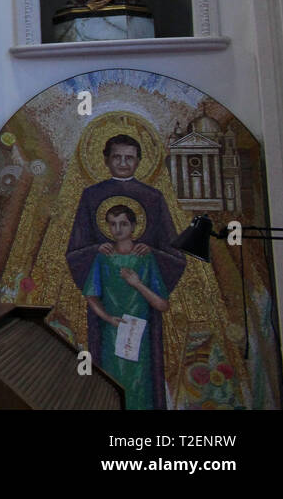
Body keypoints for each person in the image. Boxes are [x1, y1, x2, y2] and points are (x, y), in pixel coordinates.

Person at [65, 133, 186, 407]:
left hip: (142, 300)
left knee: (143, 367)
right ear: (106, 159)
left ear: (139, 161)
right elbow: (76, 250)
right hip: (107, 292)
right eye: (117, 157)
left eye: (129, 158)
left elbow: (173, 253)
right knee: (109, 362)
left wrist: (151, 251)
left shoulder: (152, 197)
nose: (123, 163)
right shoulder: (91, 195)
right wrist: (96, 249)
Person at [82, 201, 171, 409]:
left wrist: (137, 284)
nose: (118, 229)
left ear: (133, 226)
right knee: (114, 383)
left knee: (140, 385)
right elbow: (91, 295)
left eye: (123, 224)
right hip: (112, 333)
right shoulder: (104, 258)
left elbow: (162, 304)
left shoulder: (145, 257)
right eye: (113, 224)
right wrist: (107, 318)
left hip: (139, 335)